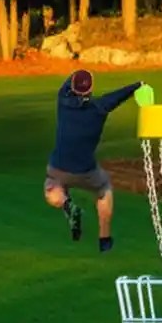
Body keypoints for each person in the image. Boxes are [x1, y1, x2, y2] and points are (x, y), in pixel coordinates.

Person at [44, 69, 142, 252]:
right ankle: (104, 239)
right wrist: (137, 86)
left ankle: (66, 204)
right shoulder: (99, 109)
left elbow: (69, 83)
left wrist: (77, 76)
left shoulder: (62, 101)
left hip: (58, 167)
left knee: (52, 188)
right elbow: (117, 97)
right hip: (86, 171)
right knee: (104, 190)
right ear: (90, 89)